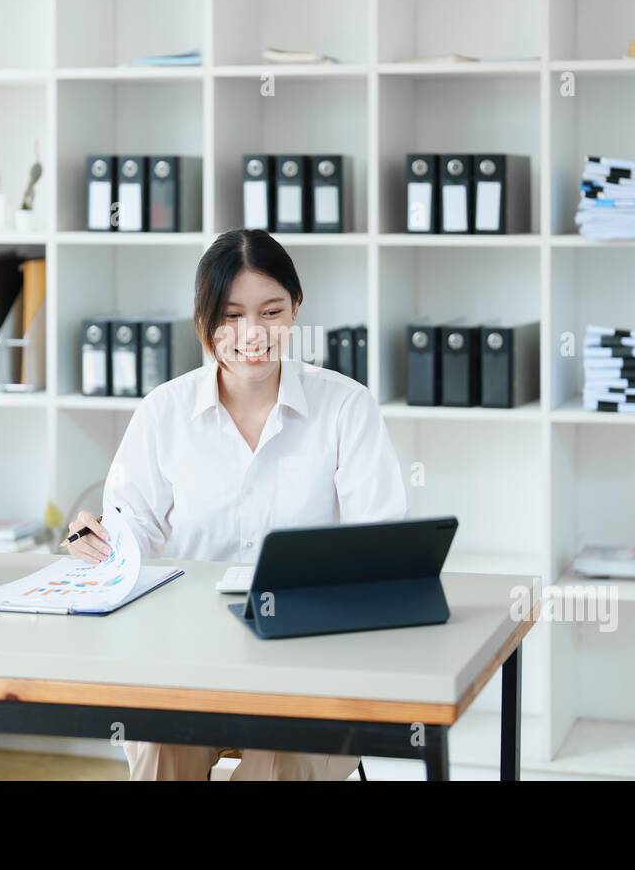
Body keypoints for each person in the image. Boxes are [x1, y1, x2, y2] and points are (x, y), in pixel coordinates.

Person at [68, 228, 407, 780]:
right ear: (204, 320)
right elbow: (132, 535)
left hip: (310, 661)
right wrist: (99, 542)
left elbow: (384, 548)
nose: (253, 334)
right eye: (230, 315)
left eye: (271, 311)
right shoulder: (164, 412)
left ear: (297, 309)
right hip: (190, 658)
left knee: (282, 751)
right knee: (159, 747)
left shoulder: (346, 407)